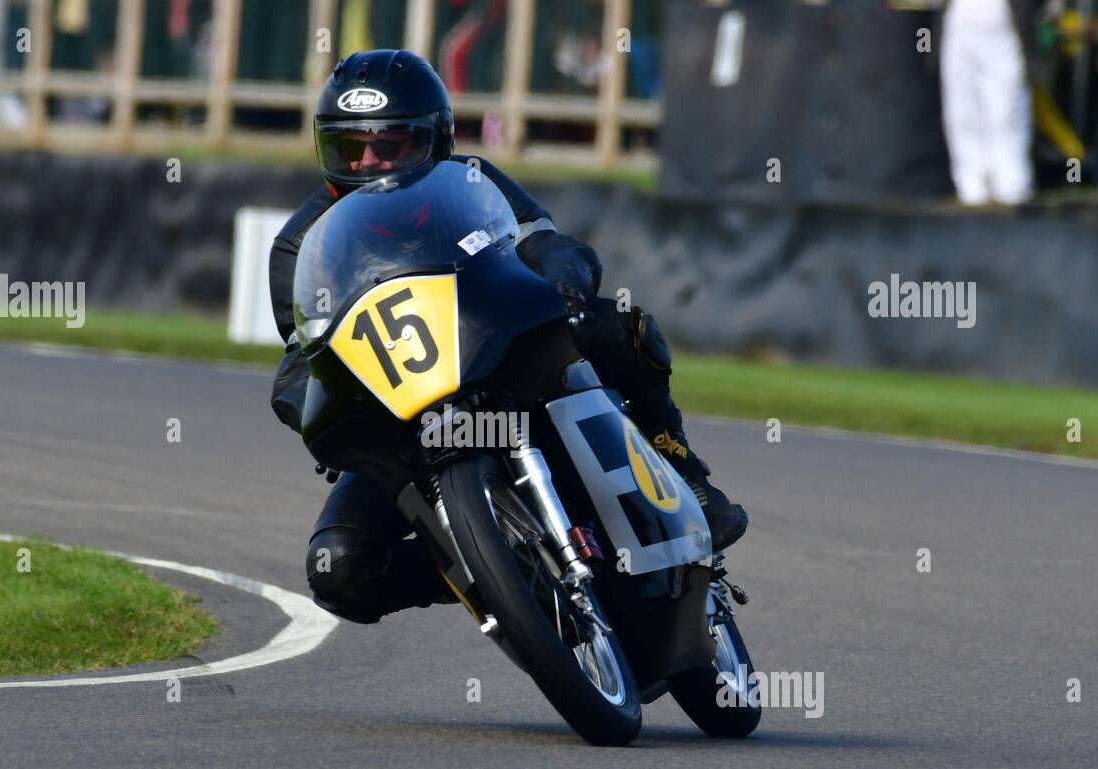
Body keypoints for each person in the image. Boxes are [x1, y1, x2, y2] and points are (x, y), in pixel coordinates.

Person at [268, 49, 746, 624]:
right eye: (351, 148)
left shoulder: (471, 183)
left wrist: (563, 280)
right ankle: (499, 573)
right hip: (399, 417)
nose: (369, 163)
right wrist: (306, 402)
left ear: (432, 142)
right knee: (337, 567)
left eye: (388, 145)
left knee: (608, 323)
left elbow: (546, 242)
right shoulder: (299, 246)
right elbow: (304, 357)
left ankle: (683, 470)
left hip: (498, 363)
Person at [940, 0, 1036, 205]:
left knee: (1007, 112)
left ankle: (1012, 187)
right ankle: (971, 187)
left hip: (1004, 29)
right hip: (959, 29)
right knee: (962, 113)